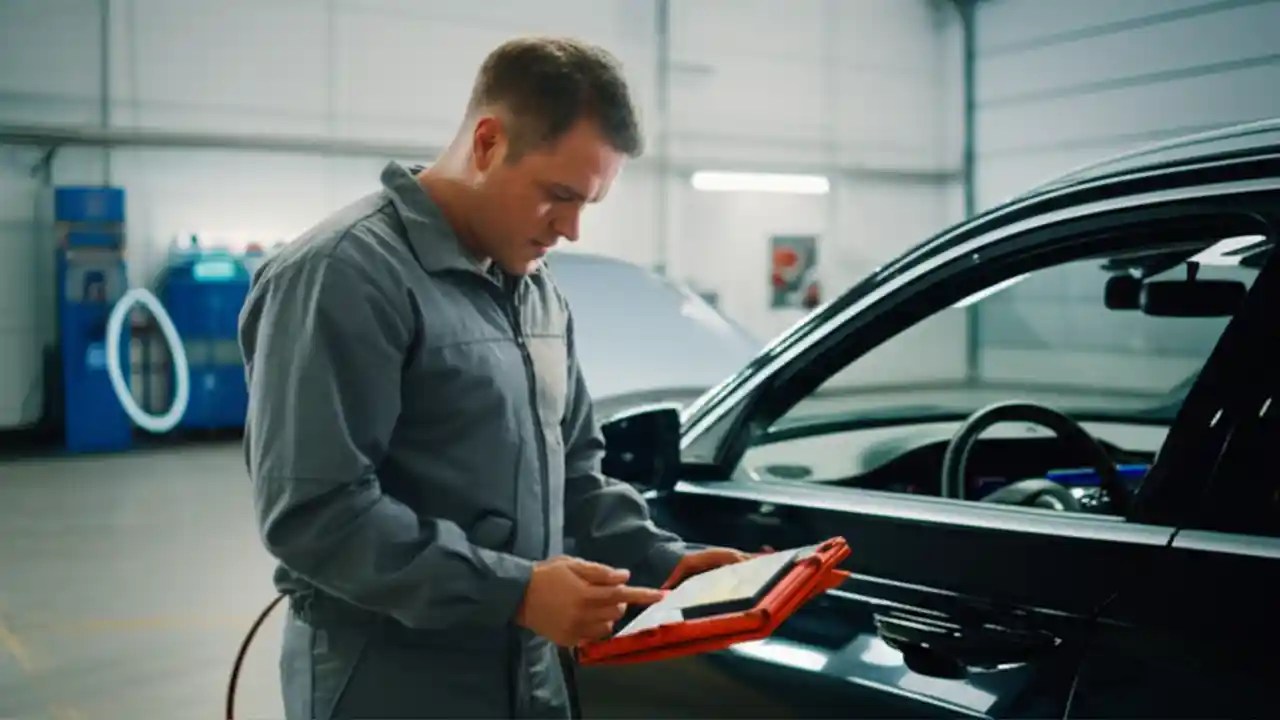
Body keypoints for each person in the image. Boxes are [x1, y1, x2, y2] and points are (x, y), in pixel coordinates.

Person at [237, 35, 751, 719]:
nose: (569, 229)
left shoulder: (536, 291)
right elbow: (316, 512)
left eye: (587, 204)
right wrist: (518, 592)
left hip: (528, 676)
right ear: (486, 143)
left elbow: (574, 477)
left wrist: (665, 561)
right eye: (557, 195)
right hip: (390, 682)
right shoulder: (344, 276)